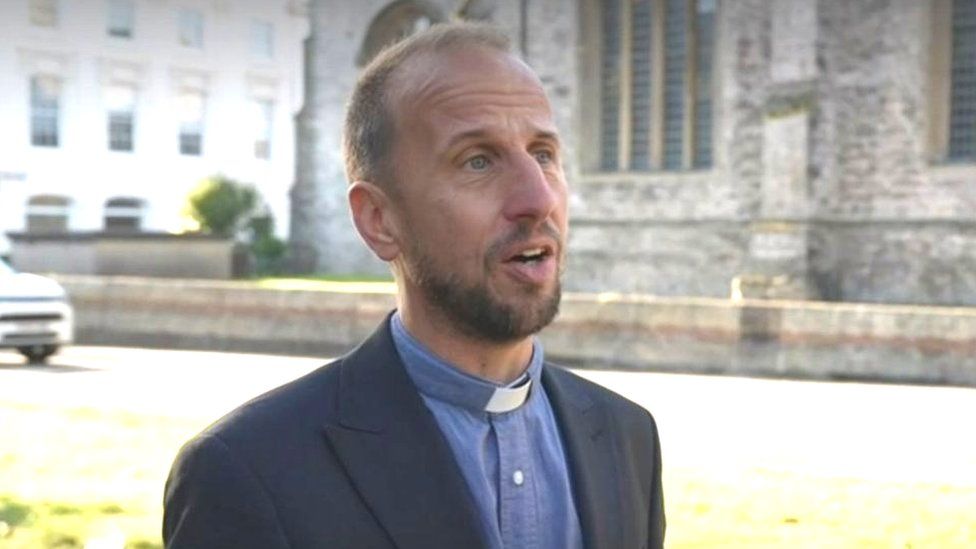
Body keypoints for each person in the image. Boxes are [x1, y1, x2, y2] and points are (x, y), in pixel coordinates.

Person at [163, 22, 665, 549]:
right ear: (379, 219)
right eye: (478, 160)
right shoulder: (247, 471)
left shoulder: (627, 436)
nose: (538, 199)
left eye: (543, 154)